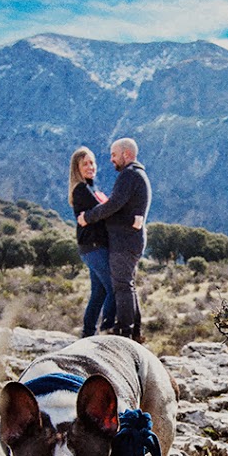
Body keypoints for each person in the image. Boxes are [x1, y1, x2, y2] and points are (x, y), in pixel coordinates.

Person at [78, 136, 150, 341]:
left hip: (124, 242)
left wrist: (88, 217)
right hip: (131, 240)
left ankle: (124, 331)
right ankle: (134, 332)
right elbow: (122, 208)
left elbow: (114, 204)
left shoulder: (129, 175)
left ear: (126, 154)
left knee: (121, 285)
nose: (111, 159)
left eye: (114, 155)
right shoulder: (137, 175)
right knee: (127, 285)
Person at [67, 146, 115, 337]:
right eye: (85, 163)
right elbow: (103, 213)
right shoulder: (81, 189)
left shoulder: (91, 186)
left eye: (92, 162)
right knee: (113, 287)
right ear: (76, 168)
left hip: (95, 246)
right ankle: (108, 332)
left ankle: (87, 335)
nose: (90, 166)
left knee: (99, 292)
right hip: (93, 246)